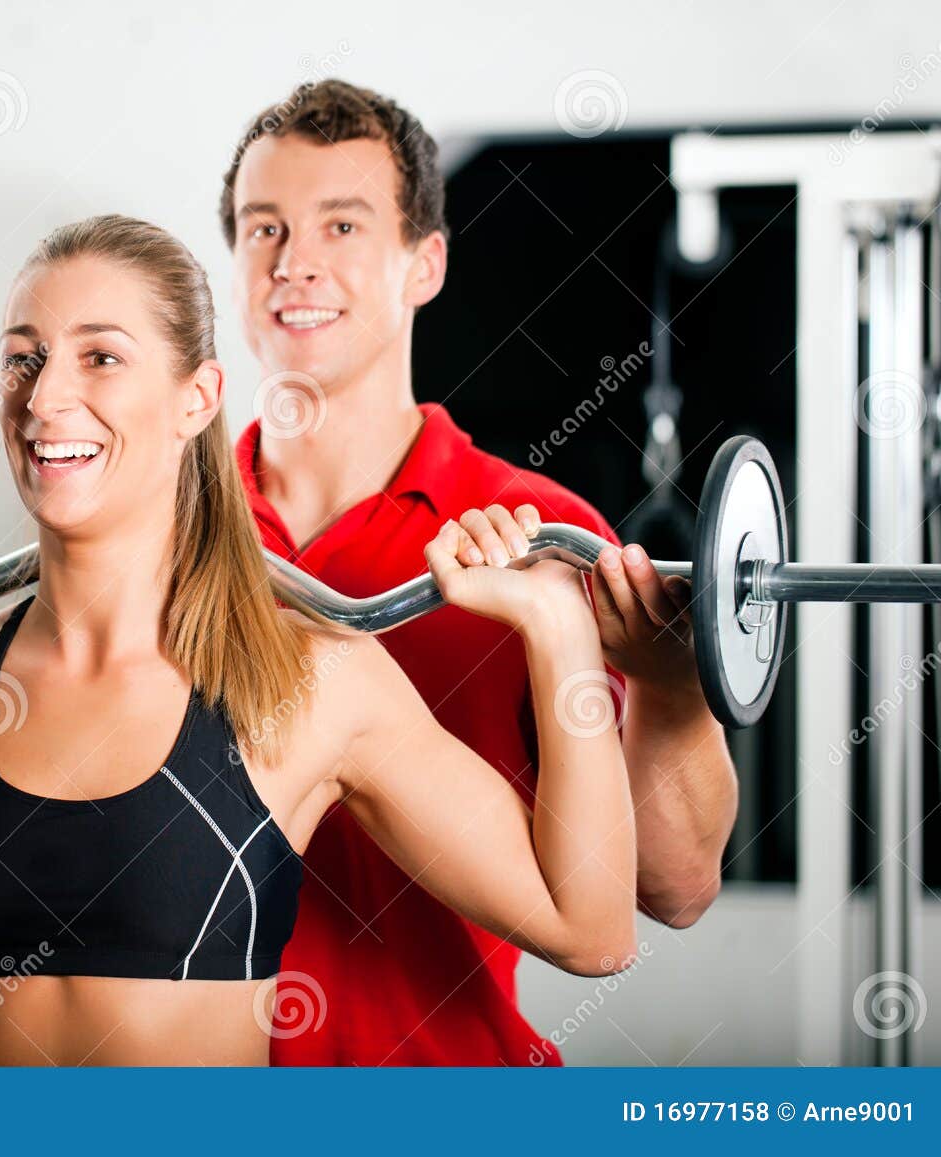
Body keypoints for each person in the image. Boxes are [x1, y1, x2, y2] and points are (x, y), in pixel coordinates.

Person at [0, 215, 637, 1066]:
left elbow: (588, 929)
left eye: (99, 356)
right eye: (22, 356)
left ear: (195, 399)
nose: (43, 397)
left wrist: (554, 621)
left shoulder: (312, 682)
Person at [217, 79, 736, 1066]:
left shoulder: (546, 539)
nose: (295, 263)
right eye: (263, 229)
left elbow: (674, 888)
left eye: (341, 226)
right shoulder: (166, 537)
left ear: (424, 264)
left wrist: (670, 695)